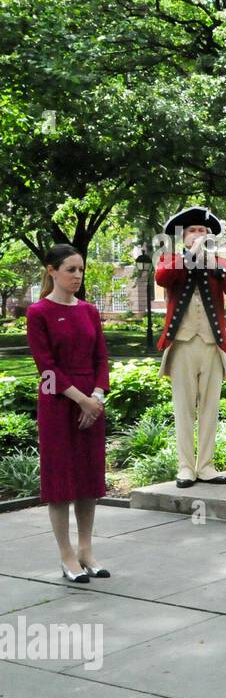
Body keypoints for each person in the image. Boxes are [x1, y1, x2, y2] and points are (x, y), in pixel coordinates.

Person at [26, 244, 110, 583]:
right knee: (60, 482)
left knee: (88, 481)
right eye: (70, 269)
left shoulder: (89, 311)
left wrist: (97, 397)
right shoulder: (38, 313)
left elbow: (101, 359)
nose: (77, 275)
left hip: (91, 401)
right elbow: (46, 368)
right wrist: (81, 401)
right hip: (58, 404)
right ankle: (66, 556)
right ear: (52, 271)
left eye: (80, 269)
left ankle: (86, 550)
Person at [155, 205, 226, 488]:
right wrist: (190, 256)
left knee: (209, 407)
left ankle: (205, 466)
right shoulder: (171, 259)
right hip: (181, 343)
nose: (199, 234)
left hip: (211, 344)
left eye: (203, 231)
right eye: (194, 230)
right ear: (183, 237)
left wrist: (215, 266)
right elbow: (163, 279)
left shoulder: (220, 263)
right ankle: (185, 467)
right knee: (183, 408)